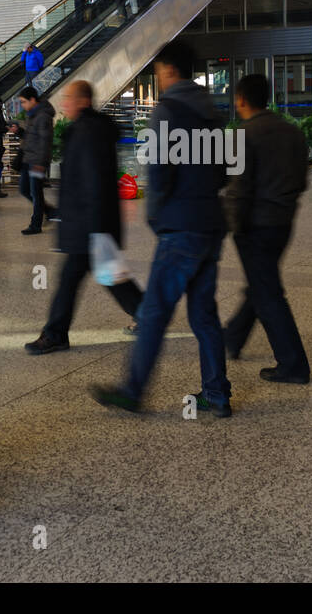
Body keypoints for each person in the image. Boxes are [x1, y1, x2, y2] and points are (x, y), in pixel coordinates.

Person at [91, 42, 232, 416]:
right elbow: (223, 171)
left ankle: (133, 390)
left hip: (181, 227)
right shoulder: (212, 113)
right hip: (211, 224)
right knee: (203, 315)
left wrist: (156, 218)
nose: (158, 78)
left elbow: (158, 173)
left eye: (158, 72)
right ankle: (217, 395)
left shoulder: (166, 112)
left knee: (153, 312)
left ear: (169, 70)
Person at [25, 81, 144, 355]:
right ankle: (149, 316)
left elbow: (93, 182)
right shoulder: (89, 129)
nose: (64, 104)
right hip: (92, 224)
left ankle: (55, 334)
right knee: (111, 278)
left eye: (69, 99)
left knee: (73, 279)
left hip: (89, 225)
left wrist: (91, 227)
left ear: (83, 101)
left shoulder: (87, 132)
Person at [222, 74, 311, 383]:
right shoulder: (292, 131)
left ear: (241, 99)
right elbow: (302, 180)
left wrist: (233, 224)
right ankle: (233, 337)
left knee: (268, 293)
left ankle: (293, 364)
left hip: (255, 225)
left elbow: (239, 188)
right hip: (283, 223)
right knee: (261, 285)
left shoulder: (243, 135)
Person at [15, 86, 54, 235]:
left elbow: (45, 141)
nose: (22, 105)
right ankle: (50, 211)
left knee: (36, 192)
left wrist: (41, 163)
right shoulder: (32, 114)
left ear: (33, 100)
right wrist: (19, 132)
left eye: (24, 102)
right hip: (28, 158)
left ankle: (35, 225)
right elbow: (31, 137)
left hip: (37, 161)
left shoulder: (43, 116)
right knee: (24, 190)